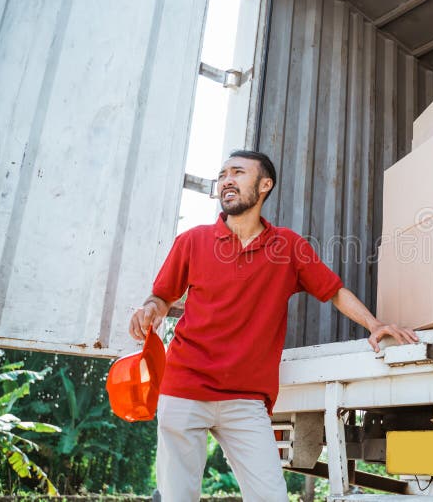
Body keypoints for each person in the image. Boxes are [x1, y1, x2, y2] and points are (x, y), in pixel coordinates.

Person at [128, 150, 418, 501]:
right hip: (185, 388)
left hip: (247, 400)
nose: (226, 180)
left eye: (237, 172)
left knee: (272, 497)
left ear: (265, 185)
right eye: (222, 175)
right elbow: (161, 296)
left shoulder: (288, 246)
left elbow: (334, 291)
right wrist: (150, 308)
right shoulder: (192, 241)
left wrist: (374, 324)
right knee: (177, 497)